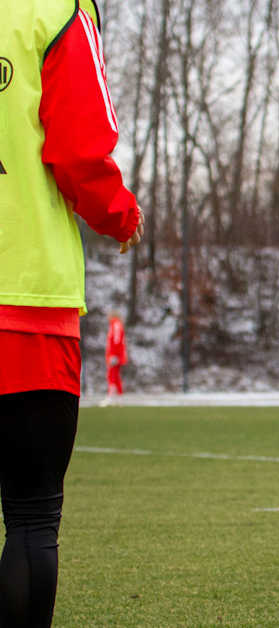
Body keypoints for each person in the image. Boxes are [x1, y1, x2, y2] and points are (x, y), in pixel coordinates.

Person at [0, 1, 144, 625]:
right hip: (25, 298)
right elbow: (79, 149)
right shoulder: (54, 7)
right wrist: (122, 213)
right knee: (32, 516)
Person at [104, 312, 127, 403]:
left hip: (115, 355)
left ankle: (111, 396)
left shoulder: (116, 324)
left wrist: (114, 355)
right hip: (115, 354)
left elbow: (116, 341)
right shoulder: (115, 325)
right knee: (115, 376)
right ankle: (119, 397)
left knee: (112, 375)